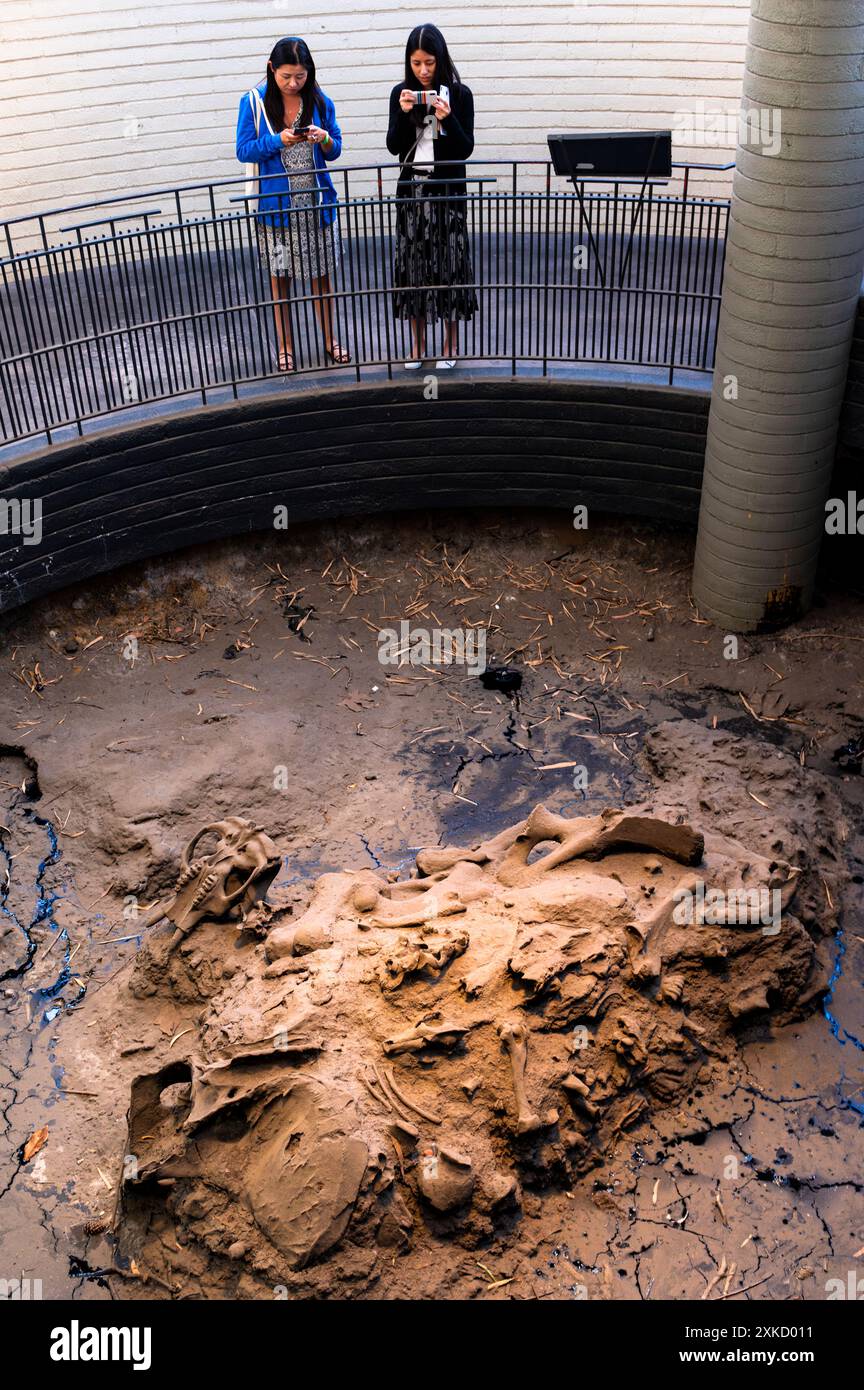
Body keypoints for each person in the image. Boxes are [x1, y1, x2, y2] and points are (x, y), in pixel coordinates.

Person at [236, 36, 350, 372]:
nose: (293, 83)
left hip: (316, 205)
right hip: (276, 210)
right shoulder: (254, 102)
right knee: (279, 277)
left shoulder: (319, 99)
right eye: (286, 76)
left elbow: (336, 148)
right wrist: (277, 140)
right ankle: (285, 347)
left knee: (322, 278)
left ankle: (330, 340)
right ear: (272, 69)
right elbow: (244, 150)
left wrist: (324, 137)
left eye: (300, 76)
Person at [386, 24, 478, 370]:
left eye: (430, 63)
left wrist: (448, 117)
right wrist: (402, 110)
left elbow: (465, 148)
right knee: (413, 267)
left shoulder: (460, 93)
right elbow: (394, 146)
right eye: (416, 63)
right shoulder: (401, 91)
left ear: (441, 60)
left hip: (447, 193)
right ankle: (417, 347)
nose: (423, 71)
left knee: (450, 265)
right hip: (413, 192)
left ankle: (450, 346)